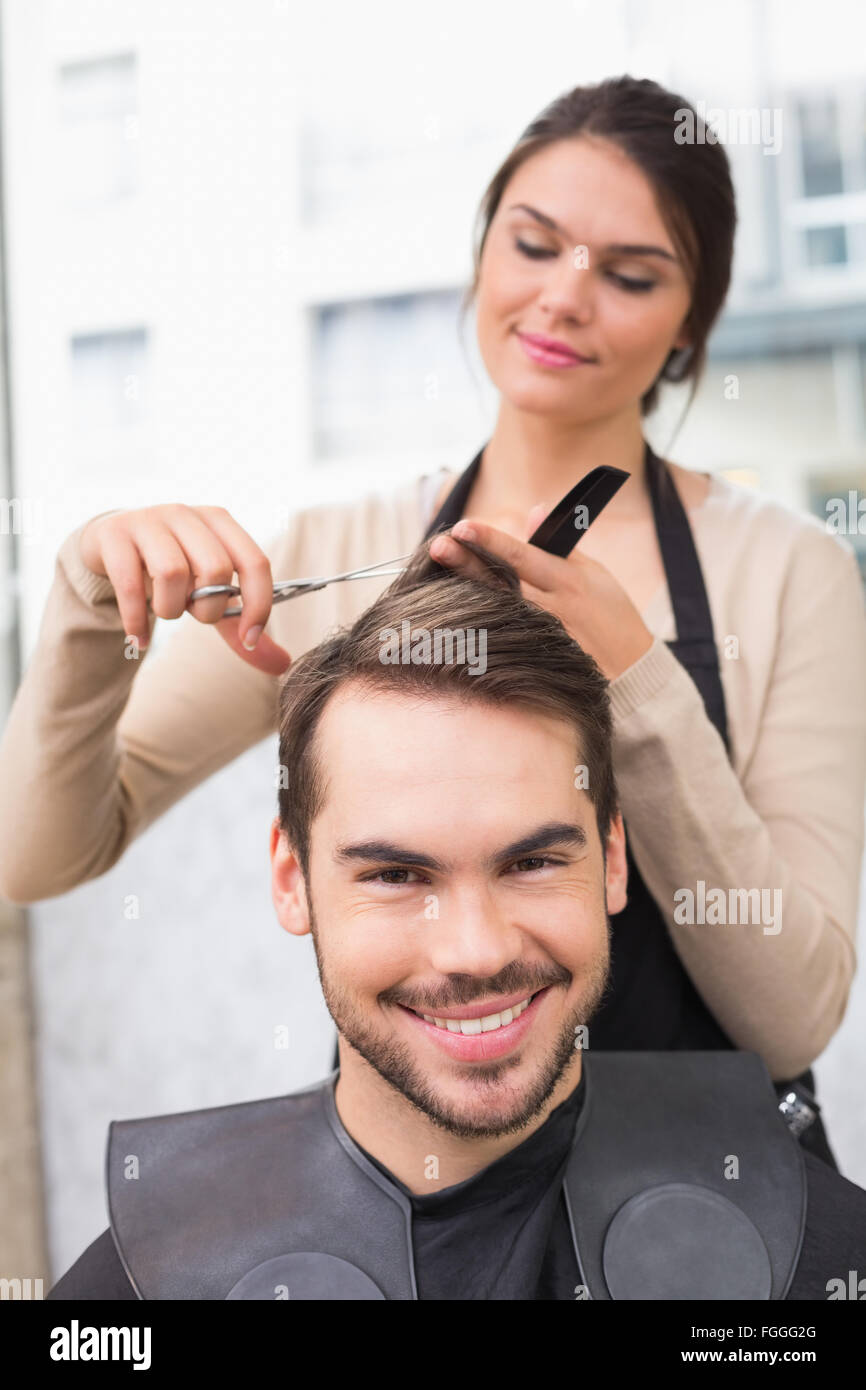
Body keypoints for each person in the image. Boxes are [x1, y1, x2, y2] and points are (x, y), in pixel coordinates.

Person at [2, 77, 865, 1158]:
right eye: (532, 244)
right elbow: (38, 856)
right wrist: (90, 616)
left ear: (690, 325)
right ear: (479, 255)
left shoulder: (789, 573)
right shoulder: (338, 550)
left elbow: (791, 1016)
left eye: (631, 274)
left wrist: (639, 681)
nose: (562, 297)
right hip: (414, 1211)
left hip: (702, 1221)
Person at [47, 541, 866, 1301]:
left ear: (613, 857)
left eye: (534, 863)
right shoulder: (145, 1285)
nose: (475, 951)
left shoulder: (820, 1259)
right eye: (397, 875)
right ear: (292, 881)